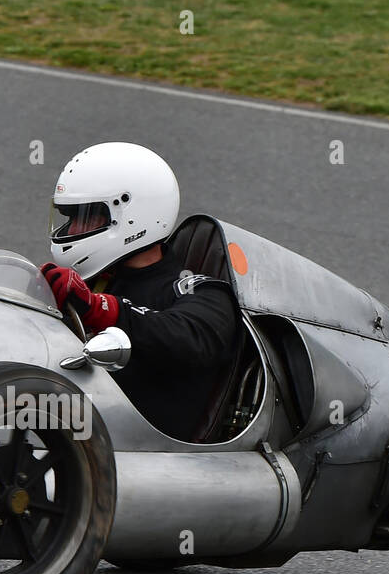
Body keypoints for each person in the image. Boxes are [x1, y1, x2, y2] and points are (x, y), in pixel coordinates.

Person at [41, 142, 240, 442]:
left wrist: (105, 310)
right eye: (71, 218)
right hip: (63, 429)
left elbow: (194, 337)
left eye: (88, 217)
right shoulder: (93, 284)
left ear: (133, 215)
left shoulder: (200, 290)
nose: (71, 232)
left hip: (142, 452)